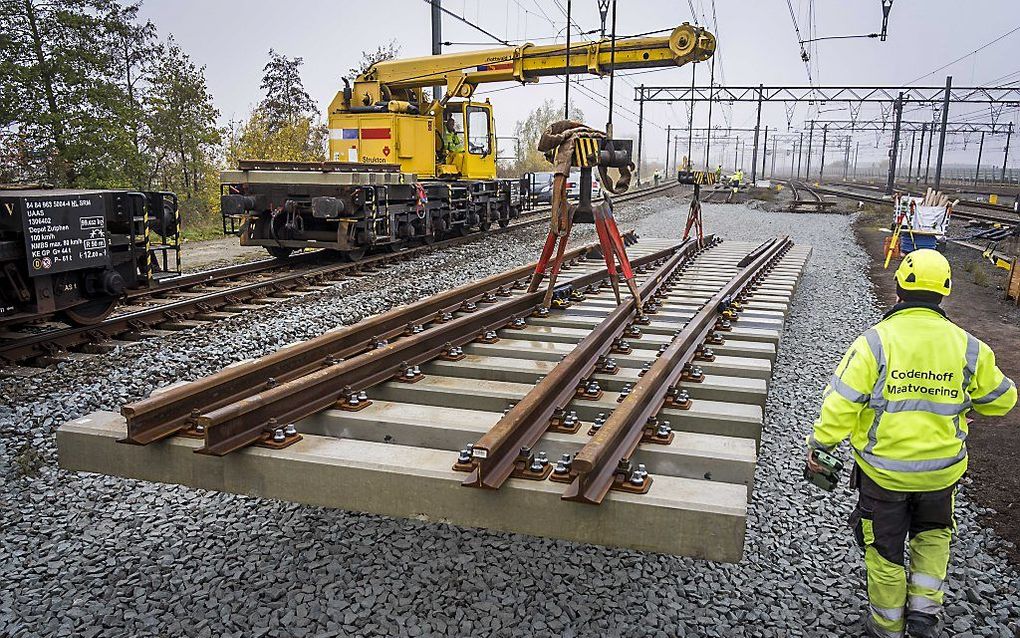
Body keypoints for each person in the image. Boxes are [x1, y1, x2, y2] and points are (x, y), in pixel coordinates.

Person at [806, 249, 1016, 638]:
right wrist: (966, 407)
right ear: (946, 292)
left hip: (884, 476)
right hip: (941, 475)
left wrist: (821, 446)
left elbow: (842, 403)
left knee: (885, 551)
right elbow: (1003, 399)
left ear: (899, 288)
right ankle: (923, 616)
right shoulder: (967, 346)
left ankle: (886, 626)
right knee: (933, 537)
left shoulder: (875, 343)